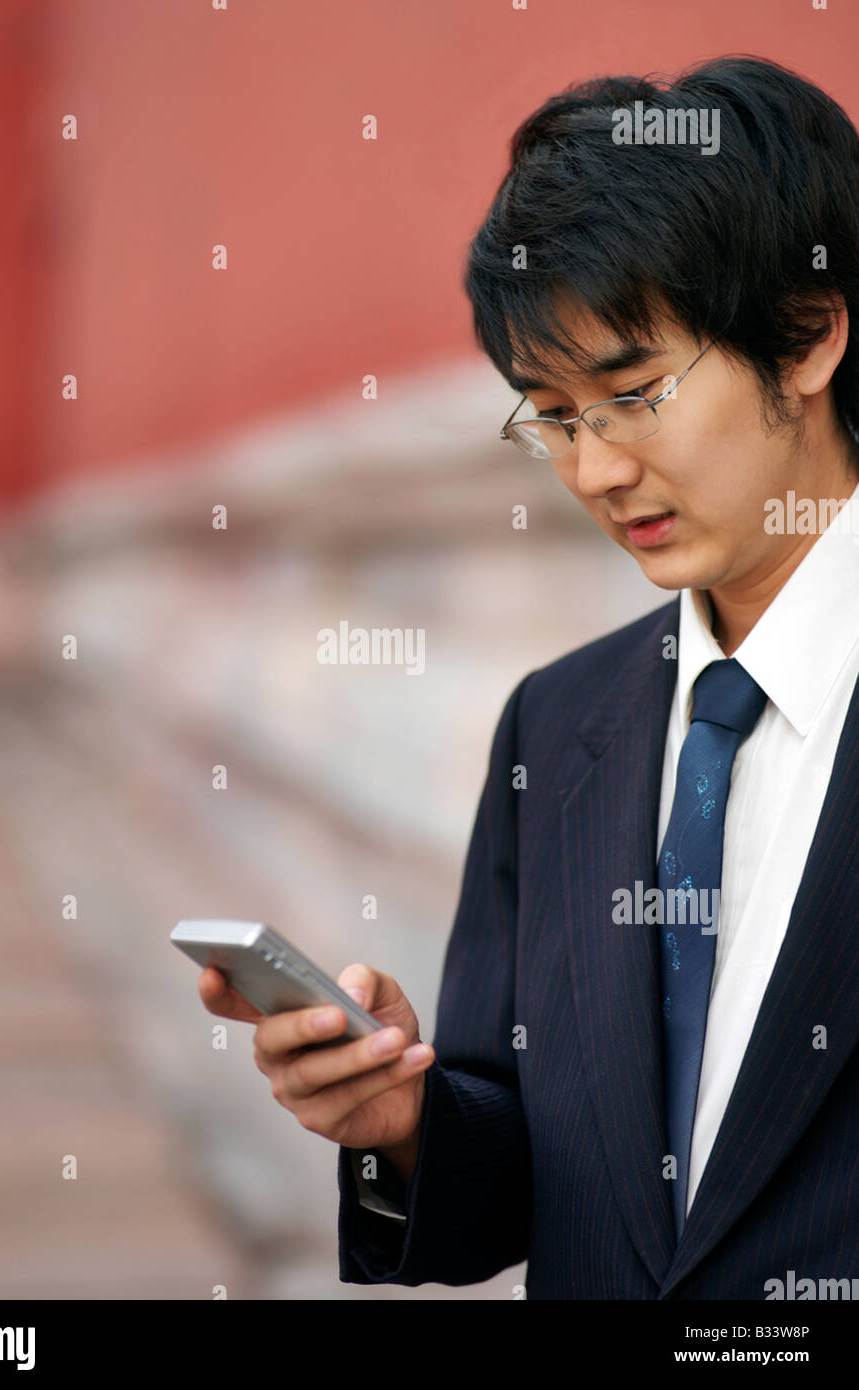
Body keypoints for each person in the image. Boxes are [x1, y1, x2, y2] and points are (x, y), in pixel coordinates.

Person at [198, 53, 859, 1298]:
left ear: (811, 334)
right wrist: (402, 1124)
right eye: (550, 414)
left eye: (630, 394)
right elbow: (527, 1166)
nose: (595, 471)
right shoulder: (555, 727)